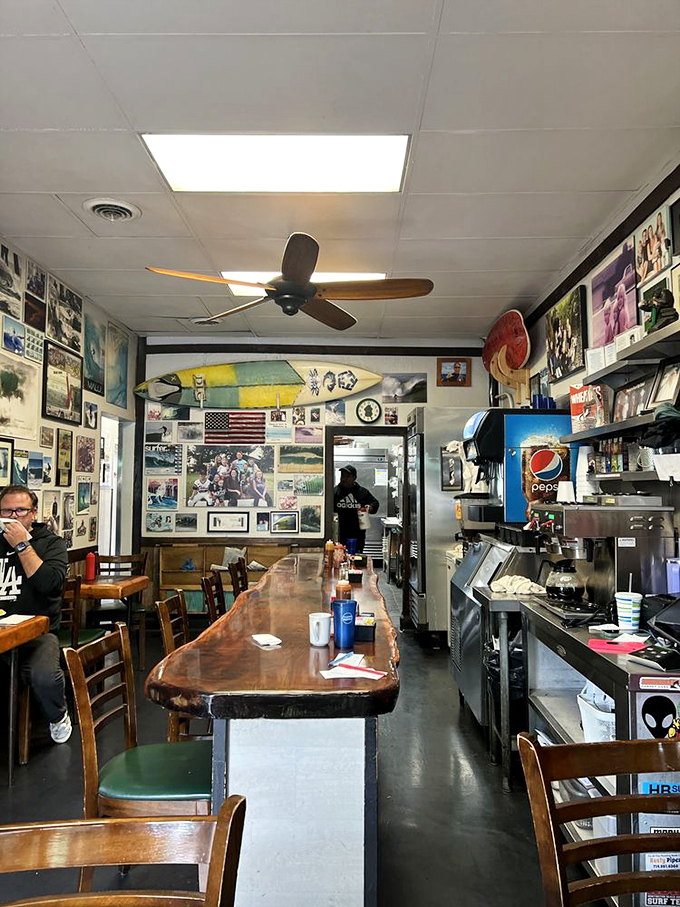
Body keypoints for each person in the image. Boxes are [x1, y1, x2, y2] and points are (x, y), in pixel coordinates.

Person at [0, 485, 70, 743]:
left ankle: (58, 716)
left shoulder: (51, 544)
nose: (13, 516)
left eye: (20, 510)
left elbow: (49, 584)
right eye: (7, 511)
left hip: (38, 632)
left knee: (43, 676)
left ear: (33, 513)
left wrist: (21, 544)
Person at [333, 465, 379, 554]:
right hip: (339, 533)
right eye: (342, 476)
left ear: (354, 478)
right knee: (339, 557)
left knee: (356, 558)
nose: (344, 479)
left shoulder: (362, 492)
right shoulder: (335, 492)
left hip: (357, 534)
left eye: (347, 476)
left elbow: (375, 503)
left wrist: (370, 507)